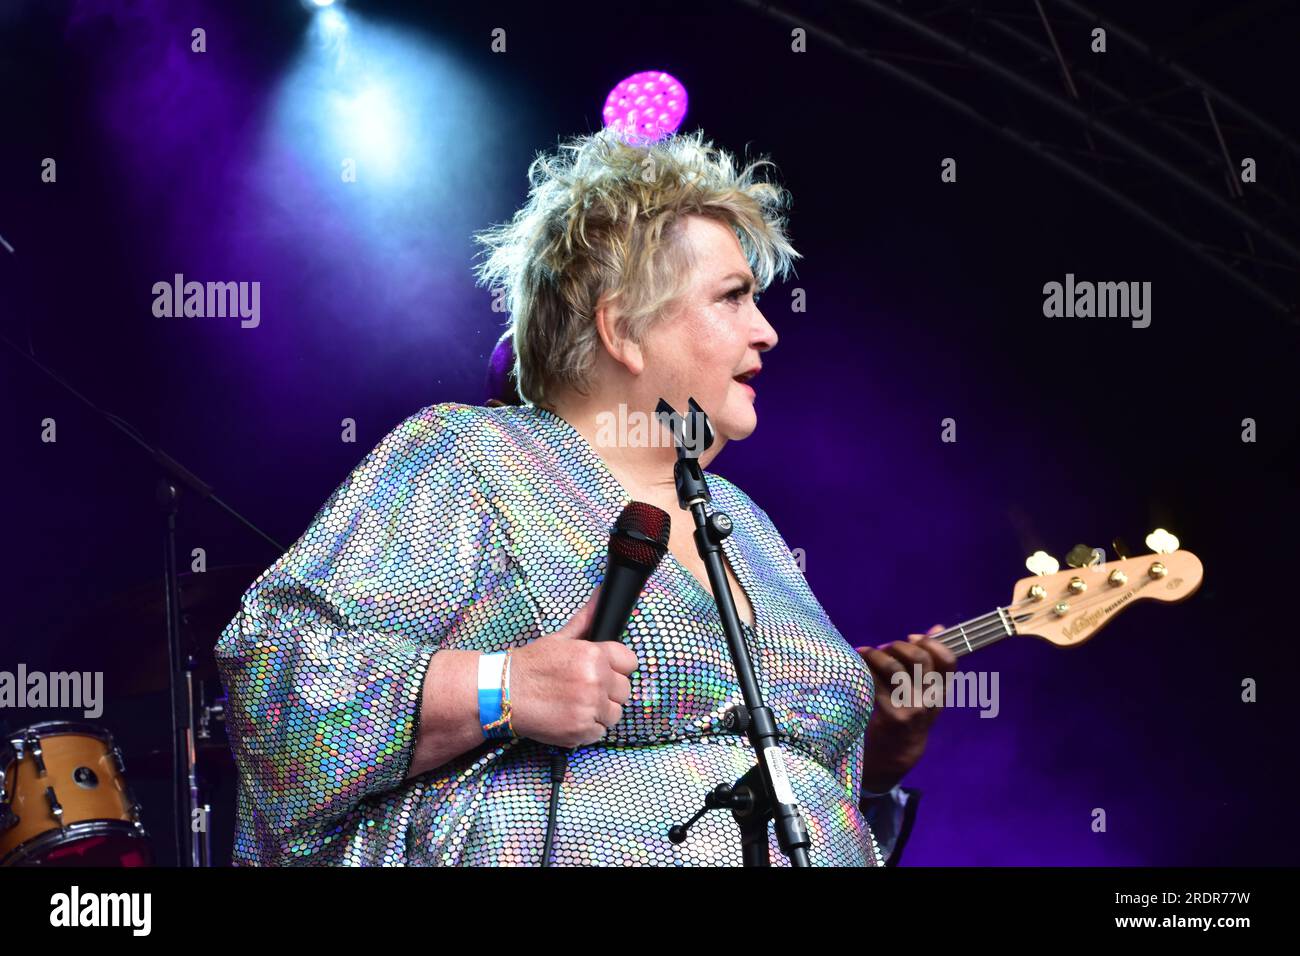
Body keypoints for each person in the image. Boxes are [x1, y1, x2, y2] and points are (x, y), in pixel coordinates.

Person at [215, 127, 957, 866]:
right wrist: (500, 686)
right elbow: (275, 682)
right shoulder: (475, 457)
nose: (766, 332)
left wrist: (874, 764)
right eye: (732, 298)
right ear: (622, 328)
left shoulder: (748, 526)